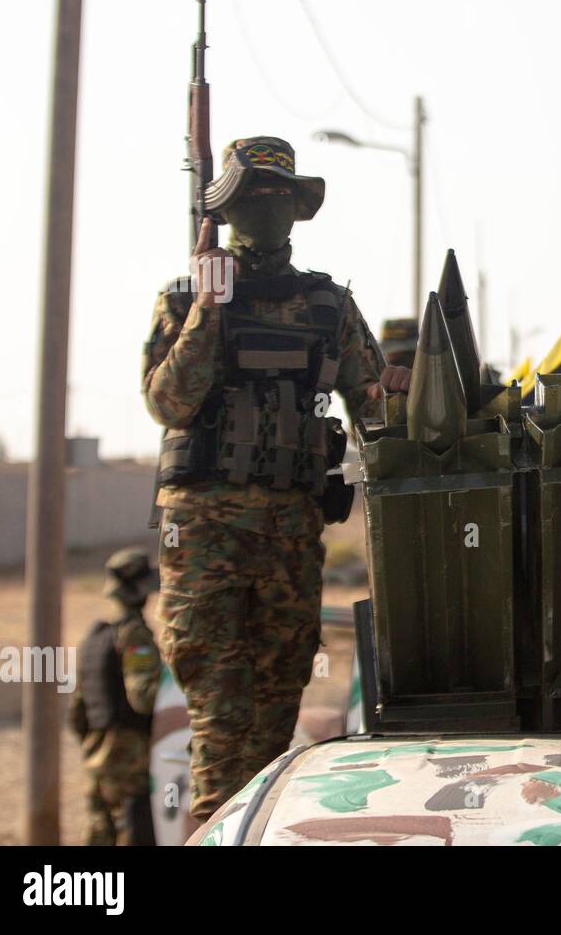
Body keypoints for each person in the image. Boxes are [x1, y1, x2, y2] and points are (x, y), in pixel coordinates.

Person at [142, 136, 409, 823]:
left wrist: (402, 391)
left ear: (297, 208)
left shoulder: (328, 305)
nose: (267, 206)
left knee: (271, 728)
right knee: (219, 718)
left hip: (290, 536)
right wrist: (210, 305)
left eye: (278, 196)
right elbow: (170, 401)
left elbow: (374, 407)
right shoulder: (184, 300)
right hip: (205, 538)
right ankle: (212, 833)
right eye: (253, 195)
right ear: (225, 208)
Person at [68, 548, 162, 846]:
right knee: (133, 832)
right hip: (128, 756)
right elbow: (144, 698)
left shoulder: (94, 637)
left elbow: (77, 711)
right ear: (139, 590)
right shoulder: (134, 635)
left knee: (99, 835)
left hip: (98, 755)